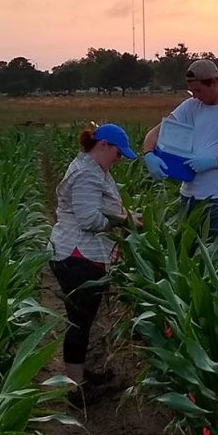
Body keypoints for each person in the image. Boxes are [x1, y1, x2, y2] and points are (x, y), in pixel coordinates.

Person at [48, 123, 141, 407]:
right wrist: (126, 222)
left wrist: (126, 215)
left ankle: (79, 374)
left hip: (79, 255)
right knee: (79, 323)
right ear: (103, 146)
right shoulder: (88, 175)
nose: (119, 159)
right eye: (117, 153)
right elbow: (89, 220)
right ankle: (76, 391)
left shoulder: (91, 169)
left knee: (82, 321)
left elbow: (102, 208)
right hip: (79, 258)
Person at [142, 59, 218, 238]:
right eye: (192, 91)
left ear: (214, 82)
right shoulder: (190, 106)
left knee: (216, 259)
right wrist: (149, 154)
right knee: (189, 257)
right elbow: (155, 133)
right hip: (189, 197)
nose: (195, 96)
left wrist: (215, 162)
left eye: (199, 90)